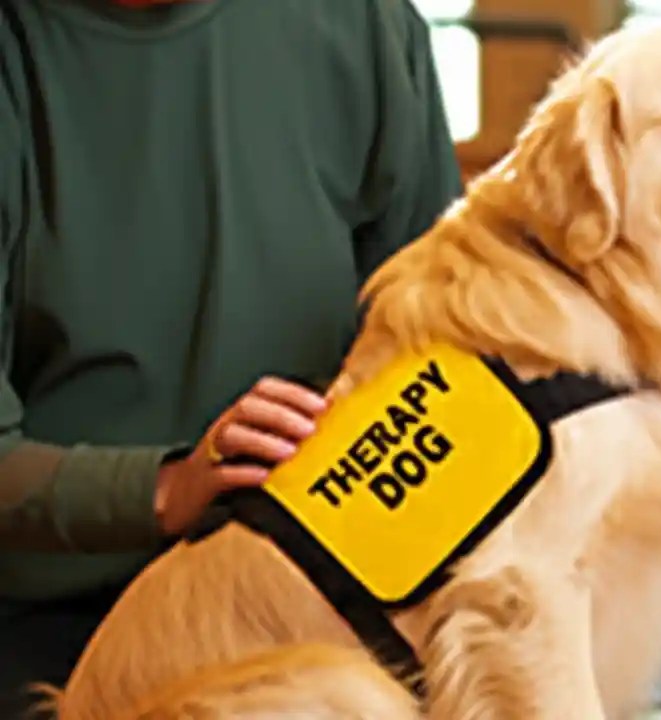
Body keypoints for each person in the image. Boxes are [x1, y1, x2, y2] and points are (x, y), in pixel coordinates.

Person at [0, 0, 461, 714]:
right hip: (61, 624)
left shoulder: (365, 26)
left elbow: (436, 357)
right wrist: (166, 485)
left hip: (321, 595)